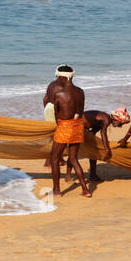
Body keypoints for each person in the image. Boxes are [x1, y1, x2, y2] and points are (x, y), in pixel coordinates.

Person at [42, 65, 91, 198]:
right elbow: (80, 111)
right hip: (77, 125)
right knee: (74, 158)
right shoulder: (80, 91)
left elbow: (56, 113)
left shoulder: (59, 94)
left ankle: (57, 191)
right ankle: (85, 189)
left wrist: (60, 125)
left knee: (54, 159)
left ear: (62, 77)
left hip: (64, 127)